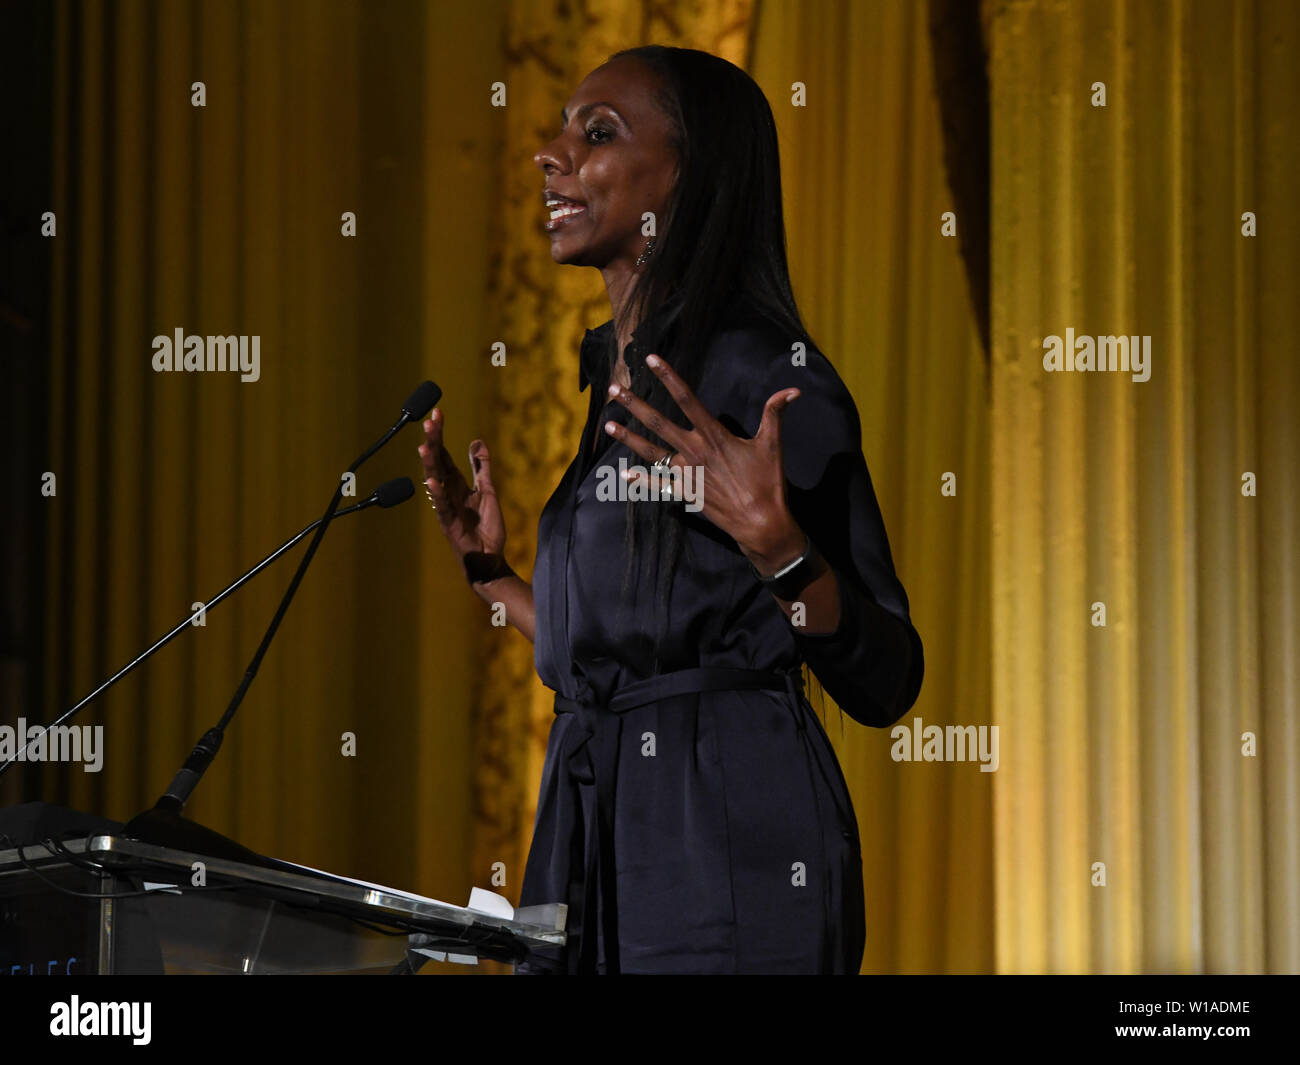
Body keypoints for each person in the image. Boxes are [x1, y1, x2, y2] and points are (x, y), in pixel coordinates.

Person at [417, 45, 923, 974]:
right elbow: (626, 648)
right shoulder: (612, 376)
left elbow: (886, 675)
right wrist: (495, 580)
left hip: (726, 843)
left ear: (684, 178)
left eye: (597, 133)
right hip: (594, 836)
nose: (550, 152)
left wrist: (782, 551)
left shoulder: (768, 378)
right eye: (566, 127)